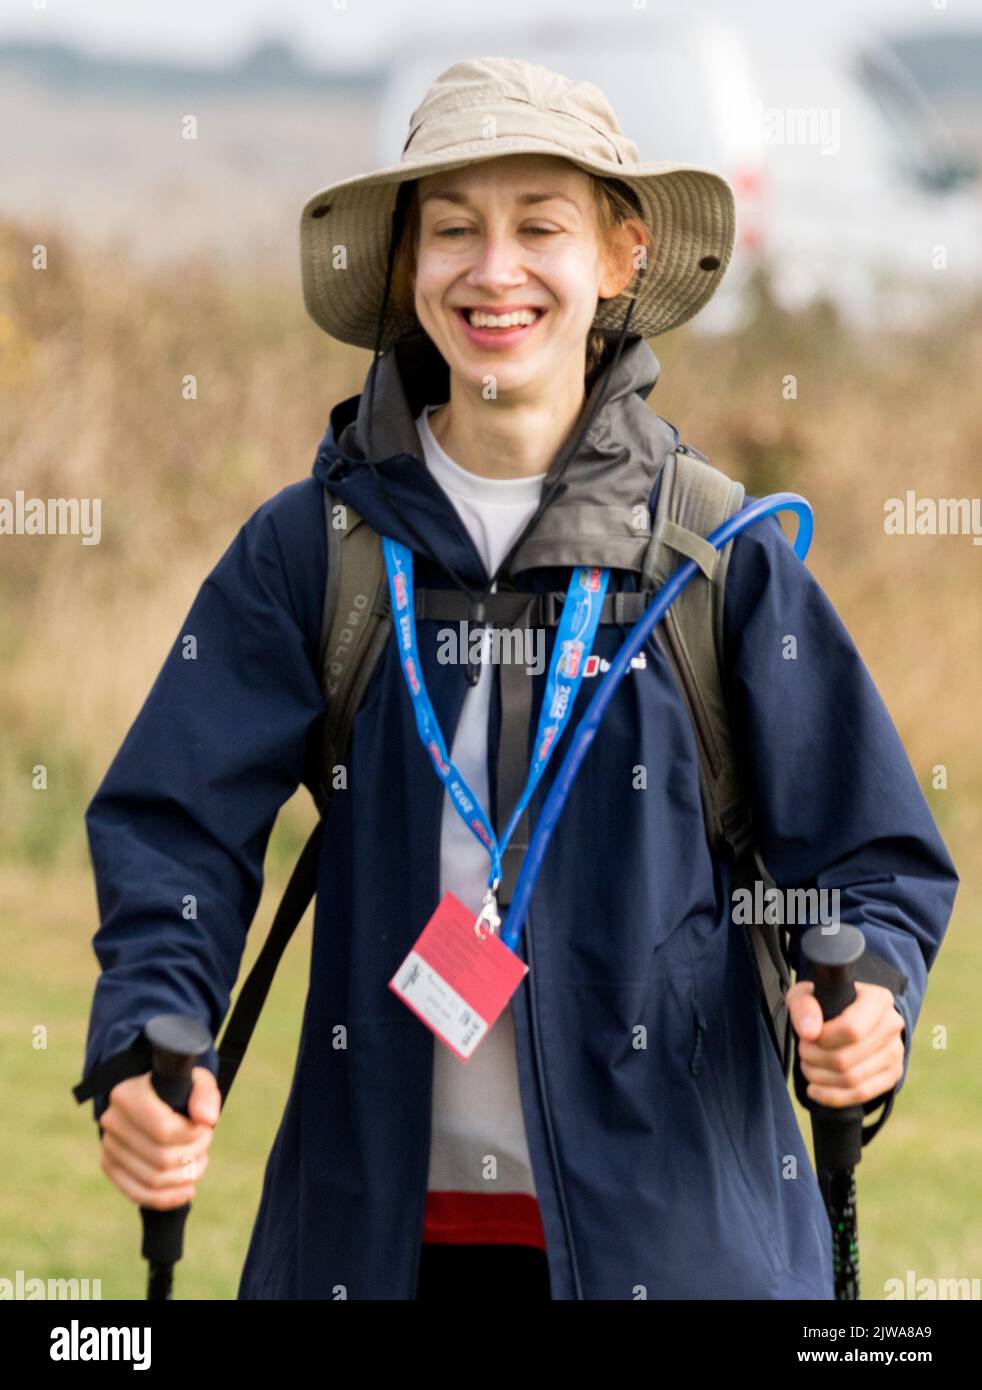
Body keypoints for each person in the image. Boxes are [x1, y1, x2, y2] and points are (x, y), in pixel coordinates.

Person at [73, 57, 958, 1301]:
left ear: (617, 258)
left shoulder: (716, 561)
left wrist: (869, 993)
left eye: (540, 226)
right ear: (406, 270)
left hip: (680, 1258)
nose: (494, 271)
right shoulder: (312, 550)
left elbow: (875, 856)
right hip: (367, 1253)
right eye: (452, 230)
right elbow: (173, 827)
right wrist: (139, 1042)